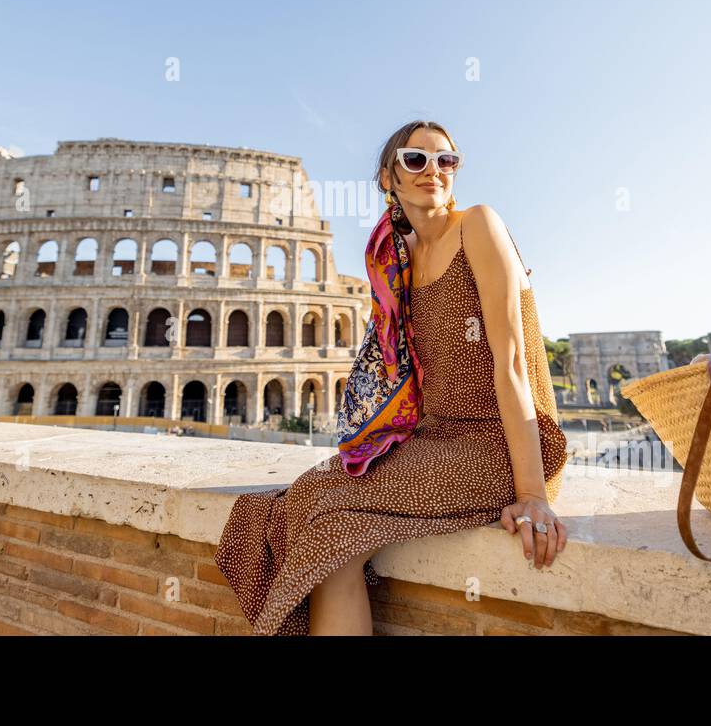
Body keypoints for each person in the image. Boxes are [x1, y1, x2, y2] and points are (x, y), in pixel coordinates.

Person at [214, 120, 568, 635]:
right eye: (415, 159)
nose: (434, 171)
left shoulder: (479, 225)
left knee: (324, 509)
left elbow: (511, 363)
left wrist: (532, 492)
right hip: (435, 438)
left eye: (447, 161)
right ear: (388, 177)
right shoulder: (396, 261)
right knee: (316, 510)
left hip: (500, 445)